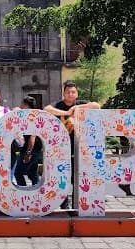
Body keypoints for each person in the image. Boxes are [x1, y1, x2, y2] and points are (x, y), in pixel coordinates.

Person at [44, 80, 100, 208]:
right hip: (62, 148)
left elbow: (96, 105)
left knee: (77, 178)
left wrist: (77, 108)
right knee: (63, 178)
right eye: (68, 92)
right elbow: (47, 109)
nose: (70, 94)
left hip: (79, 147)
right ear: (63, 94)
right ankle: (63, 203)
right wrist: (67, 113)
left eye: (73, 92)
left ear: (77, 94)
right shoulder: (59, 105)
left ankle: (77, 203)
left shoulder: (80, 104)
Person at [13, 96, 43, 187]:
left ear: (27, 106)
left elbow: (32, 136)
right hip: (35, 149)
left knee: (18, 173)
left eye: (22, 104)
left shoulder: (31, 118)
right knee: (32, 174)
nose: (21, 105)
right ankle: (37, 193)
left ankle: (23, 190)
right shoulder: (33, 116)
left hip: (30, 149)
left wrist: (28, 153)